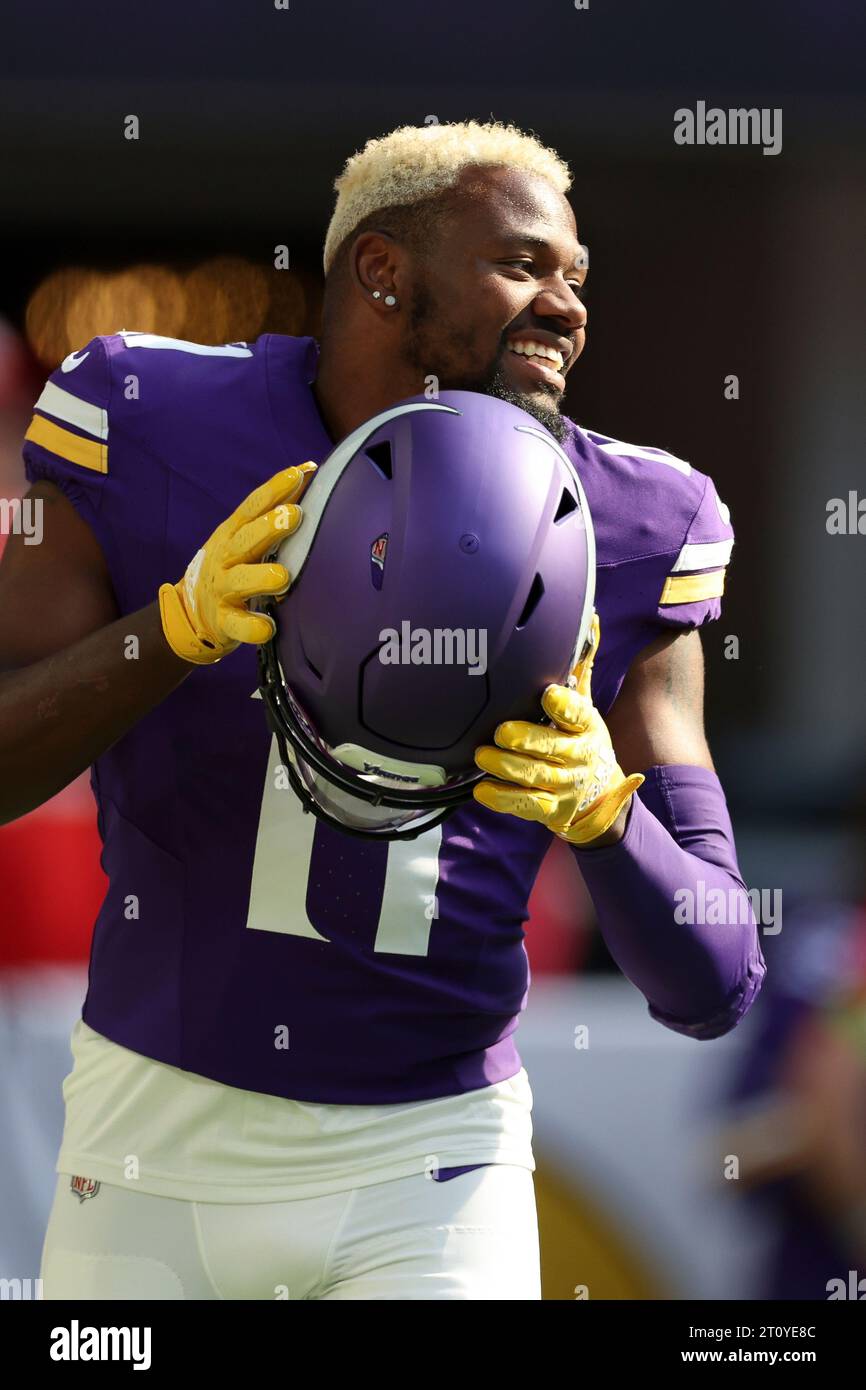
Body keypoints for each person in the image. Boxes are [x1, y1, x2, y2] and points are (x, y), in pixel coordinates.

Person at [0, 119, 764, 1300]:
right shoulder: (151, 415)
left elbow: (714, 979)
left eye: (577, 276)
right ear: (382, 271)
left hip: (432, 1164)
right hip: (147, 1140)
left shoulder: (633, 521)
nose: (565, 303)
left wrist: (607, 822)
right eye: (522, 264)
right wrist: (171, 632)